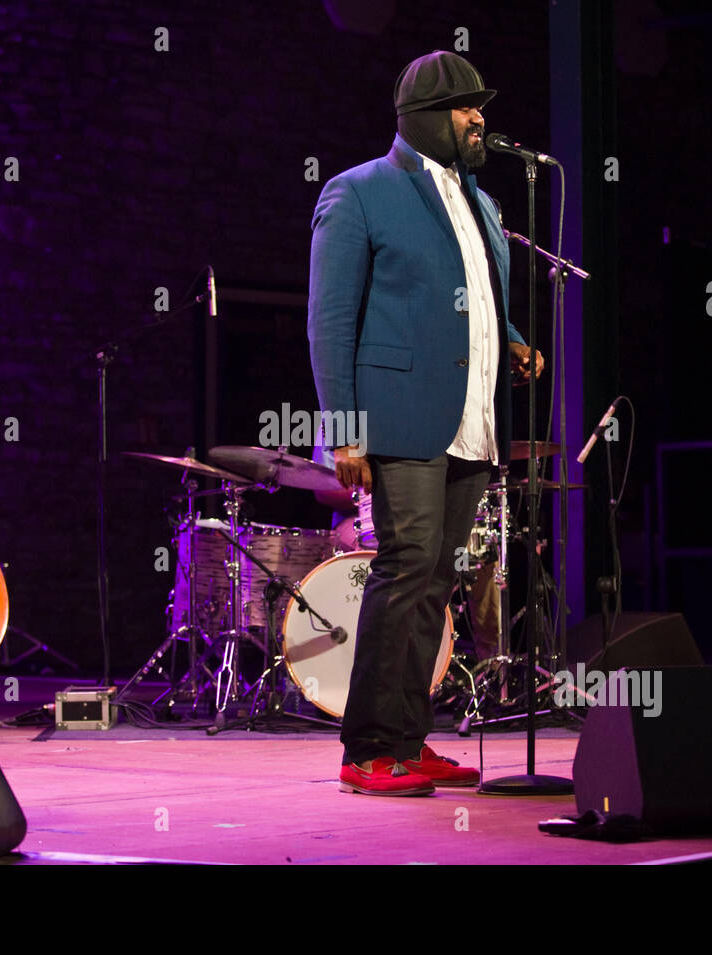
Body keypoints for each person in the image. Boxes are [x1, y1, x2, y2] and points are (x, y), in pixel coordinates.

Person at [308, 51, 538, 795]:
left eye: (481, 108)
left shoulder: (484, 202)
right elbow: (331, 319)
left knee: (438, 579)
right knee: (405, 570)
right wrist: (344, 428)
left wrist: (508, 341)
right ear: (424, 119)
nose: (480, 120)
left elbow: (472, 295)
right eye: (468, 108)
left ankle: (409, 737)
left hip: (471, 417)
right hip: (401, 418)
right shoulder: (360, 193)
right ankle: (368, 746)